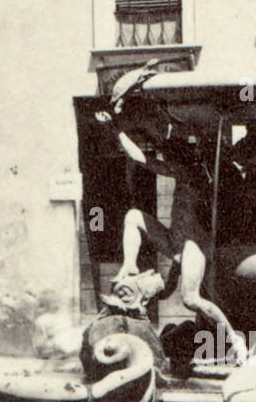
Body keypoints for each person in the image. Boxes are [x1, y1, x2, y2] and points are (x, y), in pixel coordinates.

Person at [96, 108, 247, 364]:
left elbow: (141, 159)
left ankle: (236, 341)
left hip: (192, 246)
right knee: (133, 217)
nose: (164, 160)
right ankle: (130, 267)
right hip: (175, 241)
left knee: (191, 298)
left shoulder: (193, 175)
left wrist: (116, 130)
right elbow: (144, 156)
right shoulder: (184, 173)